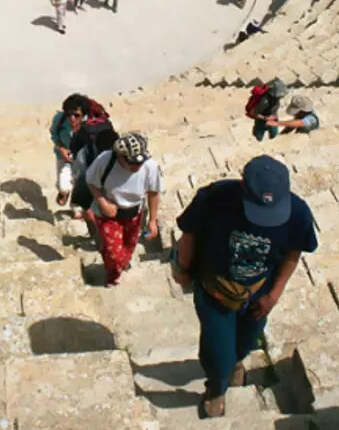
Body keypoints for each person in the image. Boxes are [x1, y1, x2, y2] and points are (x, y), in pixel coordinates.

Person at [172, 155, 318, 418]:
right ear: (243, 188)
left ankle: (236, 361)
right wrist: (182, 268)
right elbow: (189, 233)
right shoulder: (214, 198)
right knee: (218, 354)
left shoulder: (297, 213)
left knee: (247, 341)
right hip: (215, 291)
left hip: (258, 294)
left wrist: (274, 295)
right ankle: (216, 388)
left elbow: (293, 254)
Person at [86, 133, 162, 287]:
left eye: (140, 163)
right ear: (121, 157)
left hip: (134, 214)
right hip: (109, 215)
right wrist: (102, 202)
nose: (137, 167)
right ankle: (113, 275)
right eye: (132, 163)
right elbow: (91, 182)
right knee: (114, 253)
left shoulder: (150, 167)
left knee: (129, 246)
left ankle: (122, 264)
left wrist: (153, 220)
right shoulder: (104, 161)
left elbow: (153, 192)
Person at [49, 99, 76, 206]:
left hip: (80, 154)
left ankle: (76, 207)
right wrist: (61, 148)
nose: (72, 118)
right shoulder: (59, 118)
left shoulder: (86, 121)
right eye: (69, 114)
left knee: (80, 182)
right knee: (63, 183)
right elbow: (53, 133)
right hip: (62, 154)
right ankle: (64, 191)